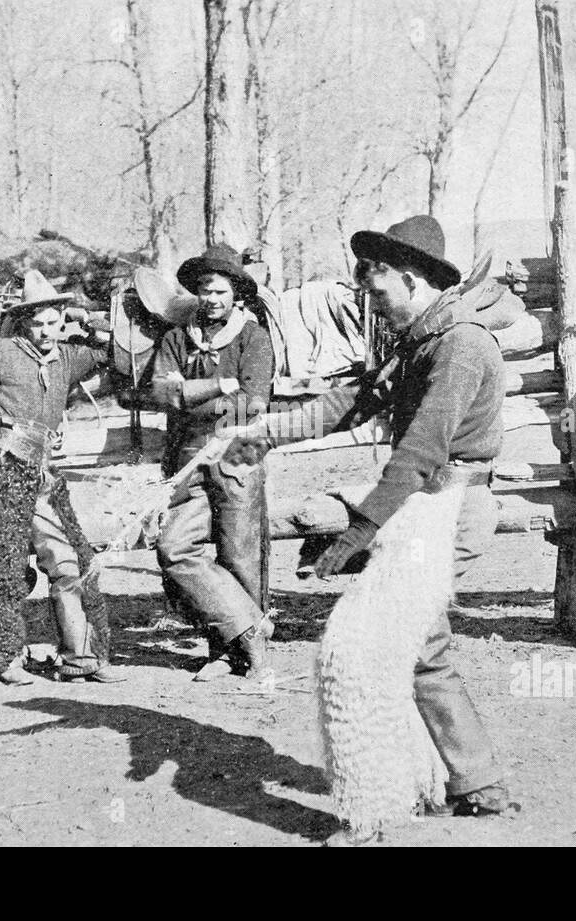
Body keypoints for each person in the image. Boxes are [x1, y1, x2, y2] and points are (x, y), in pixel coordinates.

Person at [223, 215, 515, 832]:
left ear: (409, 279)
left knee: (359, 649)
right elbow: (349, 403)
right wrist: (264, 432)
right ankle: (474, 783)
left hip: (451, 507)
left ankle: (376, 810)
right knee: (420, 647)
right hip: (426, 507)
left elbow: (421, 450)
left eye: (378, 291)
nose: (374, 305)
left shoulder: (460, 346)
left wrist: (358, 532)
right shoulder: (420, 341)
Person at [0, 270, 123, 684]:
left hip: (43, 471)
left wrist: (89, 321)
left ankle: (82, 659)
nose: (45, 332)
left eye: (53, 322)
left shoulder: (70, 357)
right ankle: (1, 660)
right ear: (23, 323)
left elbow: (116, 353)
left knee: (71, 560)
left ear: (61, 321)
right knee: (3, 562)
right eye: (36, 324)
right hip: (1, 461)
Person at [151, 245, 275, 682]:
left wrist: (189, 392)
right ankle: (245, 629)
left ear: (237, 295)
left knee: (239, 550)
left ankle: (241, 654)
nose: (211, 299)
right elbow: (160, 393)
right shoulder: (176, 338)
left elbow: (253, 401)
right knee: (175, 547)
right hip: (187, 454)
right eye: (204, 291)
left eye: (220, 291)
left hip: (239, 451)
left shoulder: (252, 338)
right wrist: (220, 385)